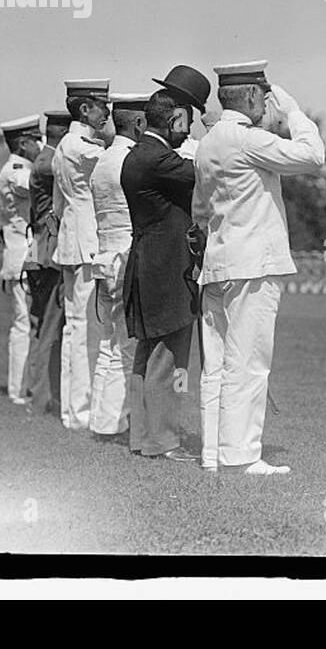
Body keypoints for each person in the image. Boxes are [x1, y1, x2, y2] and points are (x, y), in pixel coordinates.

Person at [194, 61, 325, 475]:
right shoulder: (247, 139)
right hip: (252, 265)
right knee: (249, 363)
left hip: (218, 262)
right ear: (253, 96)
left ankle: (213, 453)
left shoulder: (210, 141)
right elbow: (313, 156)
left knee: (216, 365)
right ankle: (242, 455)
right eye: (261, 98)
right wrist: (291, 111)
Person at [121, 86, 204, 463]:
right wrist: (219, 135)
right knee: (167, 358)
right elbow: (206, 172)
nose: (189, 131)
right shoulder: (159, 159)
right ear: (172, 120)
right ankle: (165, 441)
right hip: (166, 268)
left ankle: (144, 436)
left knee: (147, 355)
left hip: (148, 264)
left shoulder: (141, 153)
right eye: (186, 122)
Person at [87, 92, 149, 441]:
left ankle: (104, 422)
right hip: (126, 257)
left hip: (104, 257)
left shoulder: (104, 160)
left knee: (110, 346)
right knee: (128, 348)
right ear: (140, 123)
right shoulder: (133, 161)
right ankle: (126, 423)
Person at [52, 80, 110, 429]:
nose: (108, 112)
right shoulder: (83, 147)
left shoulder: (65, 145)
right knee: (85, 329)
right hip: (87, 245)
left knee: (75, 328)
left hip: (73, 242)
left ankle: (72, 411)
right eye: (102, 106)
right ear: (85, 109)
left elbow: (59, 207)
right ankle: (82, 409)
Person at [21, 111, 70, 415]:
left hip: (40, 251)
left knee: (43, 327)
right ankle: (39, 399)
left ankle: (37, 395)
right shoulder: (49, 163)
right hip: (48, 252)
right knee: (49, 328)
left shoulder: (44, 160)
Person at [0, 115, 39, 404]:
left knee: (27, 324)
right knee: (24, 324)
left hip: (21, 257)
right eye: (35, 139)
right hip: (21, 258)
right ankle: (17, 390)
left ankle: (22, 387)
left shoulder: (15, 166)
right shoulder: (16, 169)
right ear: (23, 143)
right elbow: (33, 184)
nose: (39, 145)